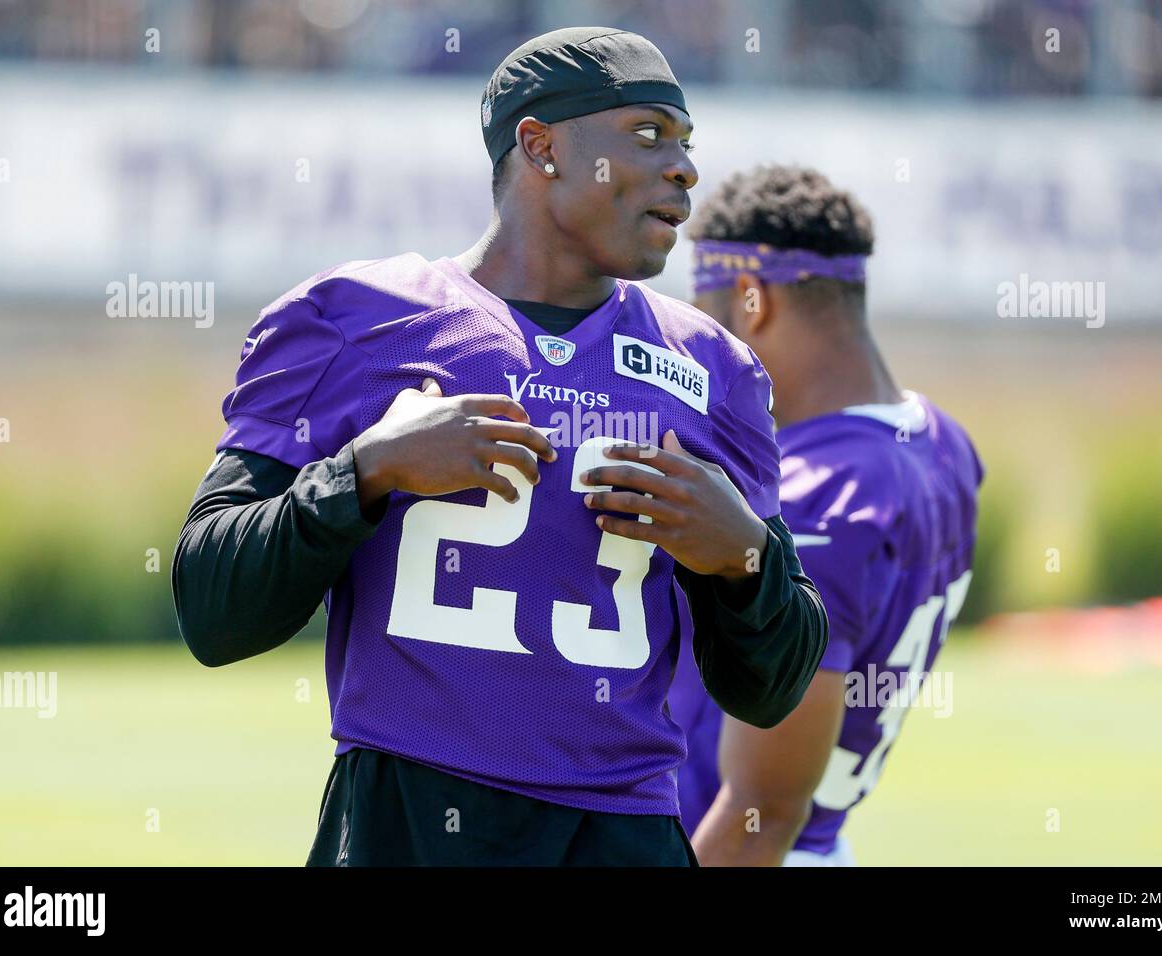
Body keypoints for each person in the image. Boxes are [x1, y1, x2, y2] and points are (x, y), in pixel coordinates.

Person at [172, 29, 826, 867]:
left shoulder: (715, 370)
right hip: (410, 818)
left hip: (623, 835)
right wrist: (365, 473)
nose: (686, 170)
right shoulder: (351, 320)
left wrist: (743, 559)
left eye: (688, 144)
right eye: (649, 135)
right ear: (541, 144)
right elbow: (211, 609)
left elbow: (768, 690)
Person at [669, 165, 983, 866]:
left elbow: (764, 808)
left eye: (702, 316)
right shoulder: (944, 443)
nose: (690, 347)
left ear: (752, 301)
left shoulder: (819, 498)